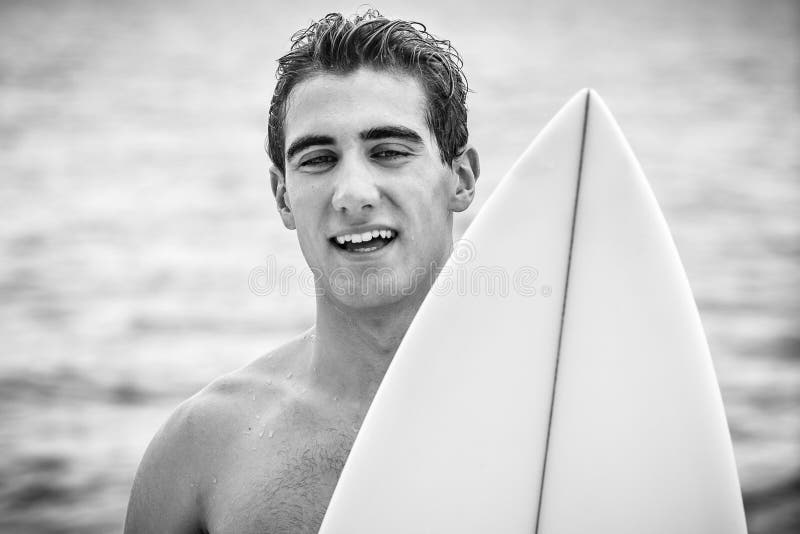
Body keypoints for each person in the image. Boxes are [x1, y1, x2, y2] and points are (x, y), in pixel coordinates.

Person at [124, 9, 479, 533]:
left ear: (462, 179)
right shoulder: (199, 450)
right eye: (317, 159)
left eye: (388, 151)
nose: (354, 193)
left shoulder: (564, 407)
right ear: (282, 196)